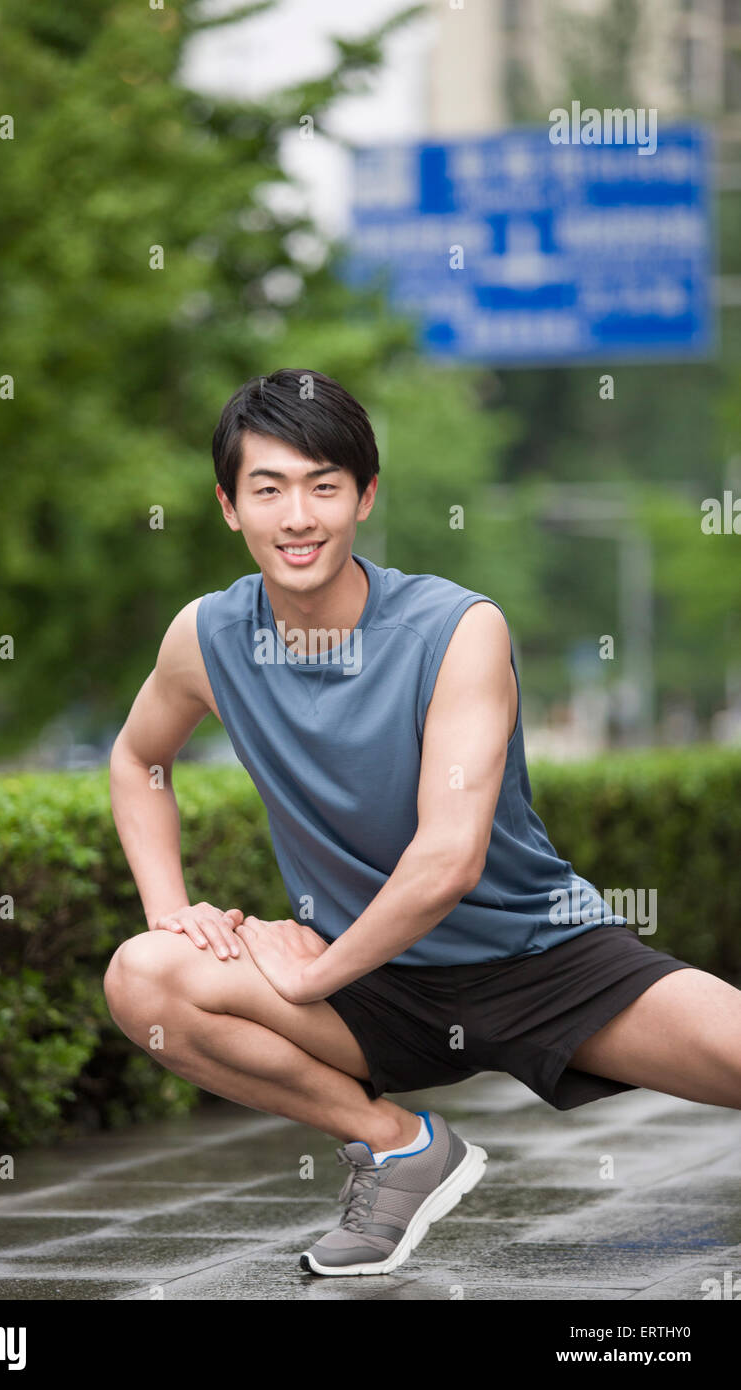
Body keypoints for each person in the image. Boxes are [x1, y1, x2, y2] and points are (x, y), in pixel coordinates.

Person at [104, 367, 741, 1278]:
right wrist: (172, 911)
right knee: (144, 977)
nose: (297, 517)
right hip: (374, 991)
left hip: (539, 959)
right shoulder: (206, 638)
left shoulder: (455, 629)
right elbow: (138, 757)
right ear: (226, 506)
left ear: (365, 496)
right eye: (268, 489)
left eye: (324, 486)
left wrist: (316, 967)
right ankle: (399, 1146)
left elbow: (447, 858)